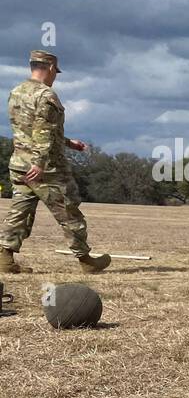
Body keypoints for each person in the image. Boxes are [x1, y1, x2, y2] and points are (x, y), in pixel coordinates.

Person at [1, 50, 111, 274]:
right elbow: (43, 132)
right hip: (45, 168)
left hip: (19, 165)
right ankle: (86, 260)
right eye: (55, 72)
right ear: (50, 68)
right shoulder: (46, 95)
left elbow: (31, 130)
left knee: (20, 210)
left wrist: (69, 143)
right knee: (69, 210)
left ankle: (5, 258)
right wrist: (39, 163)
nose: (55, 77)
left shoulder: (16, 92)